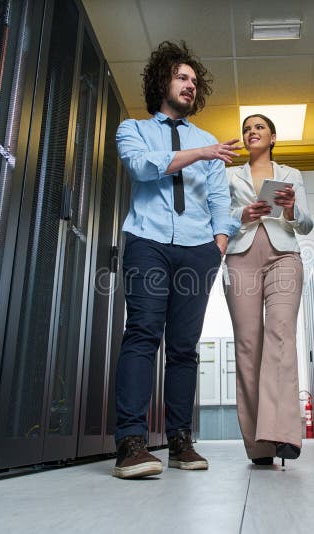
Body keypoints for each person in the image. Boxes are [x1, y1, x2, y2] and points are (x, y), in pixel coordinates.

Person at [112, 41, 241, 479]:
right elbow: (143, 167)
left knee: (184, 348)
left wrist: (219, 241)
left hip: (197, 250)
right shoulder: (132, 130)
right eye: (181, 77)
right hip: (147, 241)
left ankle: (180, 440)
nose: (189, 85)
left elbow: (220, 199)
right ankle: (130, 442)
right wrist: (199, 155)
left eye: (193, 80)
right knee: (143, 333)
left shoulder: (208, 141)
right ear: (162, 81)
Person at [224, 114, 313, 466]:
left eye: (259, 128)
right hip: (241, 257)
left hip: (284, 257)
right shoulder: (231, 177)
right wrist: (242, 214)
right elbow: (219, 218)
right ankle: (259, 446)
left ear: (273, 137)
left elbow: (305, 224)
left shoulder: (291, 175)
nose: (251, 132)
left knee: (280, 334)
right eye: (246, 129)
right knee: (248, 345)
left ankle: (282, 433)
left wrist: (291, 209)